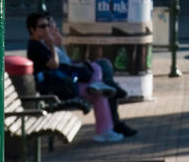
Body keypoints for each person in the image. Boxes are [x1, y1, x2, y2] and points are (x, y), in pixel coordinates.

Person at [25, 12, 131, 143]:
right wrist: (52, 46)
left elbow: (64, 63)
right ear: (32, 29)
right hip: (59, 87)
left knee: (99, 86)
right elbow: (54, 65)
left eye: (48, 25)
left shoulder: (42, 44)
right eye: (43, 26)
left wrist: (57, 45)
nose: (47, 29)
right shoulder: (35, 46)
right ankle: (105, 129)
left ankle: (105, 129)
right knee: (97, 71)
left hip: (67, 81)